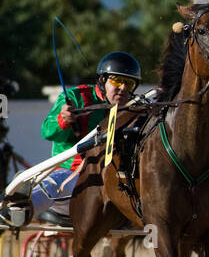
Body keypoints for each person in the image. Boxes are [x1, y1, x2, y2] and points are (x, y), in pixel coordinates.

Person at [32, 51, 142, 225]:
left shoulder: (134, 109)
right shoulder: (75, 97)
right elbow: (47, 132)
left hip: (110, 182)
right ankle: (22, 207)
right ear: (102, 79)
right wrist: (63, 120)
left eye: (129, 83)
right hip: (70, 176)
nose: (122, 88)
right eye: (116, 81)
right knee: (54, 183)